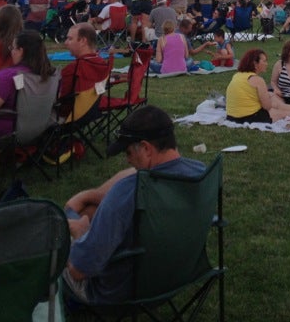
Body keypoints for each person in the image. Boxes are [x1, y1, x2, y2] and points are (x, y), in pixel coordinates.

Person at [62, 105, 206, 305]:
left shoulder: (128, 193)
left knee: (54, 240)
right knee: (97, 205)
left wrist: (81, 233)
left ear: (147, 148)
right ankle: (87, 200)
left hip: (118, 292)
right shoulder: (200, 174)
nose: (128, 160)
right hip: (174, 279)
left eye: (129, 153)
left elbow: (79, 271)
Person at [0, 29, 57, 138]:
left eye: (13, 48)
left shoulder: (9, 76)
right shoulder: (51, 75)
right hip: (40, 129)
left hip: (10, 130)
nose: (11, 51)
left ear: (21, 51)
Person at [226, 48, 290, 123]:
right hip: (248, 117)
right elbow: (267, 107)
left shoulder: (237, 75)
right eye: (264, 61)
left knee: (274, 101)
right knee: (279, 110)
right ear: (255, 63)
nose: (266, 64)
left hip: (231, 116)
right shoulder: (258, 80)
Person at [57, 23, 111, 117]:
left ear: (82, 41)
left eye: (70, 39)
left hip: (69, 116)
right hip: (91, 112)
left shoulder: (74, 69)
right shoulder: (102, 64)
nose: (66, 42)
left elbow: (58, 97)